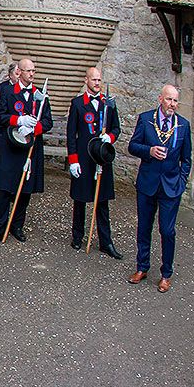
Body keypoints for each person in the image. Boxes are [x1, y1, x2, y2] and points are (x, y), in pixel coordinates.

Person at [0, 58, 53, 244]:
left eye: (34, 71)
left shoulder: (40, 96)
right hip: (10, 148)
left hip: (29, 149)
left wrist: (35, 128)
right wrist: (18, 121)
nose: (32, 74)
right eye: (29, 71)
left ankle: (17, 226)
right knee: (4, 189)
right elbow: (1, 116)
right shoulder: (8, 92)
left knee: (24, 191)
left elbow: (47, 122)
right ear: (19, 72)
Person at [127, 84, 192, 293]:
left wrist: (181, 182)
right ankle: (142, 267)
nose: (172, 104)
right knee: (144, 227)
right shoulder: (146, 120)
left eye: (175, 100)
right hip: (147, 183)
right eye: (169, 99)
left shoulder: (183, 126)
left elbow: (187, 159)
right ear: (160, 99)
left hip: (171, 188)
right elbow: (133, 146)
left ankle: (166, 273)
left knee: (167, 230)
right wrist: (149, 151)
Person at [65, 68, 122, 259]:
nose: (97, 83)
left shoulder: (109, 103)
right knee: (80, 200)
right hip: (83, 158)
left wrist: (110, 137)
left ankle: (106, 242)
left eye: (99, 80)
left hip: (102, 158)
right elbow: (71, 134)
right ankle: (77, 236)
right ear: (86, 80)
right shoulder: (78, 104)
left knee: (102, 202)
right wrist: (73, 160)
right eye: (94, 79)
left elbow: (117, 128)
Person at [0, 63, 20, 204]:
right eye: (17, 73)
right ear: (10, 74)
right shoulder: (0, 89)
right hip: (2, 131)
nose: (19, 76)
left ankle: (13, 191)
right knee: (0, 162)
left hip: (18, 133)